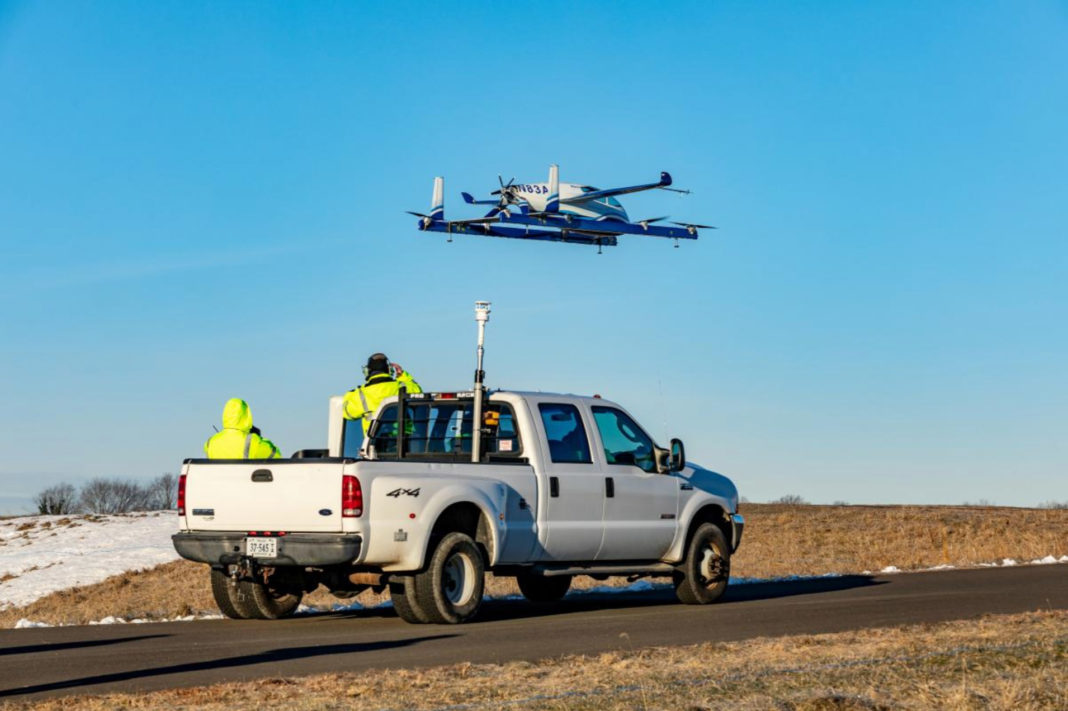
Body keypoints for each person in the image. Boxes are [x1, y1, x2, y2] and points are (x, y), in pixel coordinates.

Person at [343, 353, 422, 434]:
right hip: (404, 441)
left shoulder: (360, 394)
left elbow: (347, 413)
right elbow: (418, 392)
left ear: (367, 371)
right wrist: (402, 375)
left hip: (376, 442)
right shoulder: (402, 386)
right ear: (389, 370)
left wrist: (350, 394)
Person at [204, 398, 282, 459]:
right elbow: (277, 455)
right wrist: (259, 438)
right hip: (243, 479)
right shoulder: (252, 440)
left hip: (218, 480)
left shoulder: (209, 443)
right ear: (247, 416)